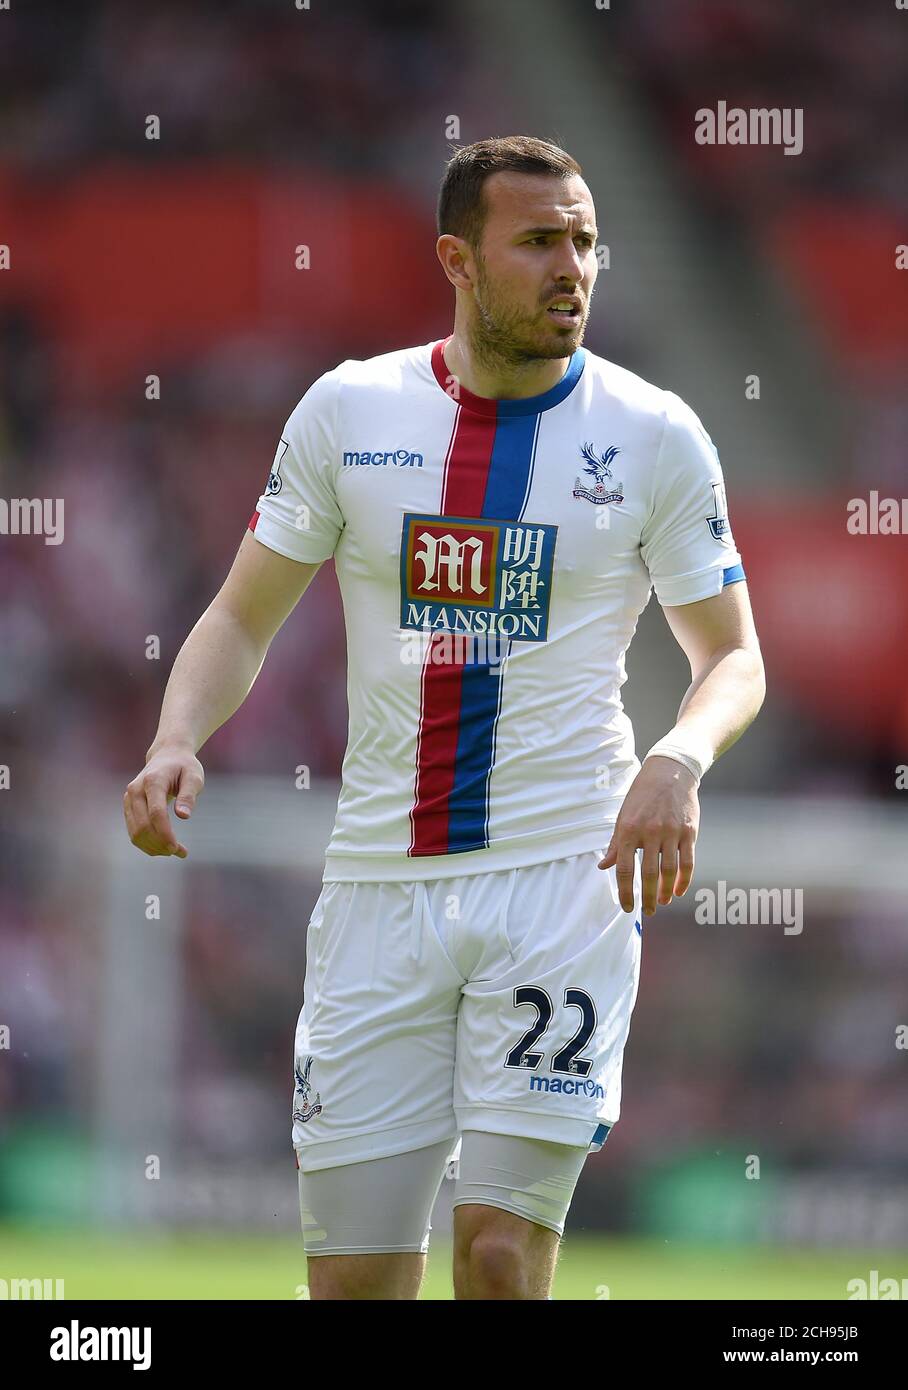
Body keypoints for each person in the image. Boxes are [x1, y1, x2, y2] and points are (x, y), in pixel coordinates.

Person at [123, 135, 766, 1300]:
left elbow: (730, 657)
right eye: (537, 242)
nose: (571, 266)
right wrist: (177, 737)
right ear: (456, 260)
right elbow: (238, 618)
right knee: (358, 1284)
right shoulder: (348, 411)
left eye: (582, 241)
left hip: (561, 879)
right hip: (379, 885)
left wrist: (677, 756)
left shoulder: (654, 435)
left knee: (500, 1258)